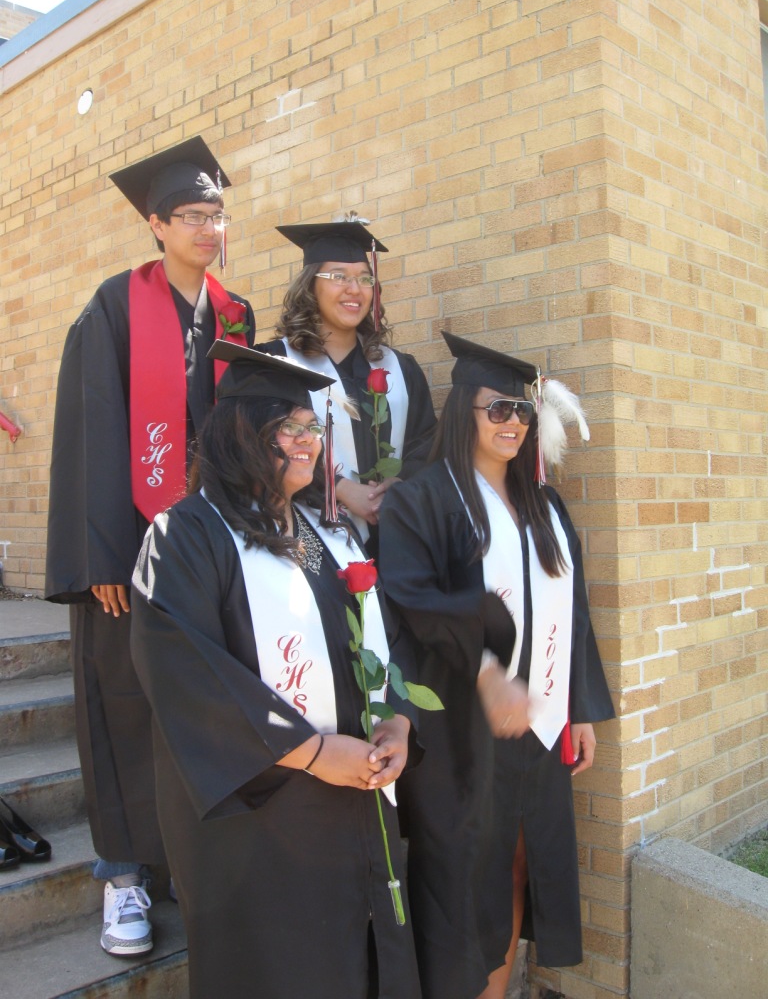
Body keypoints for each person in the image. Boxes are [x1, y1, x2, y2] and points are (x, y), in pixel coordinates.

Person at [130, 341, 422, 999]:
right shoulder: (184, 535)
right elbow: (183, 672)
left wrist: (399, 719)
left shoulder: (329, 533)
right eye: (285, 427)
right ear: (239, 432)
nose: (306, 441)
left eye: (311, 426)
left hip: (357, 801)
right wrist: (314, 752)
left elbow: (387, 636)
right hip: (261, 821)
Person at [44, 138, 255, 956]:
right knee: (120, 703)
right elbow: (89, 433)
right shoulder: (114, 308)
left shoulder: (234, 316)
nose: (210, 229)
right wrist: (101, 558)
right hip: (126, 555)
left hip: (208, 556)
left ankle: (196, 862)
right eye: (193, 216)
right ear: (156, 223)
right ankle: (124, 877)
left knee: (202, 703)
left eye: (217, 214)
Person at [378, 331, 614, 999]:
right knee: (462, 880)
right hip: (462, 727)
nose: (513, 423)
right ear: (464, 414)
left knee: (515, 868)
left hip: (539, 725)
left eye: (523, 413)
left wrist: (580, 709)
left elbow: (574, 609)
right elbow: (408, 602)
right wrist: (484, 671)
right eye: (497, 410)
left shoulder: (545, 504)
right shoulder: (422, 499)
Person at [256, 218, 436, 544]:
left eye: (364, 278)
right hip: (306, 537)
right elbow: (260, 447)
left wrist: (400, 484)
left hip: (394, 540)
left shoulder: (401, 369)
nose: (354, 289)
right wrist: (337, 488)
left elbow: (426, 444)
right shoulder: (275, 365)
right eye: (338, 276)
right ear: (311, 285)